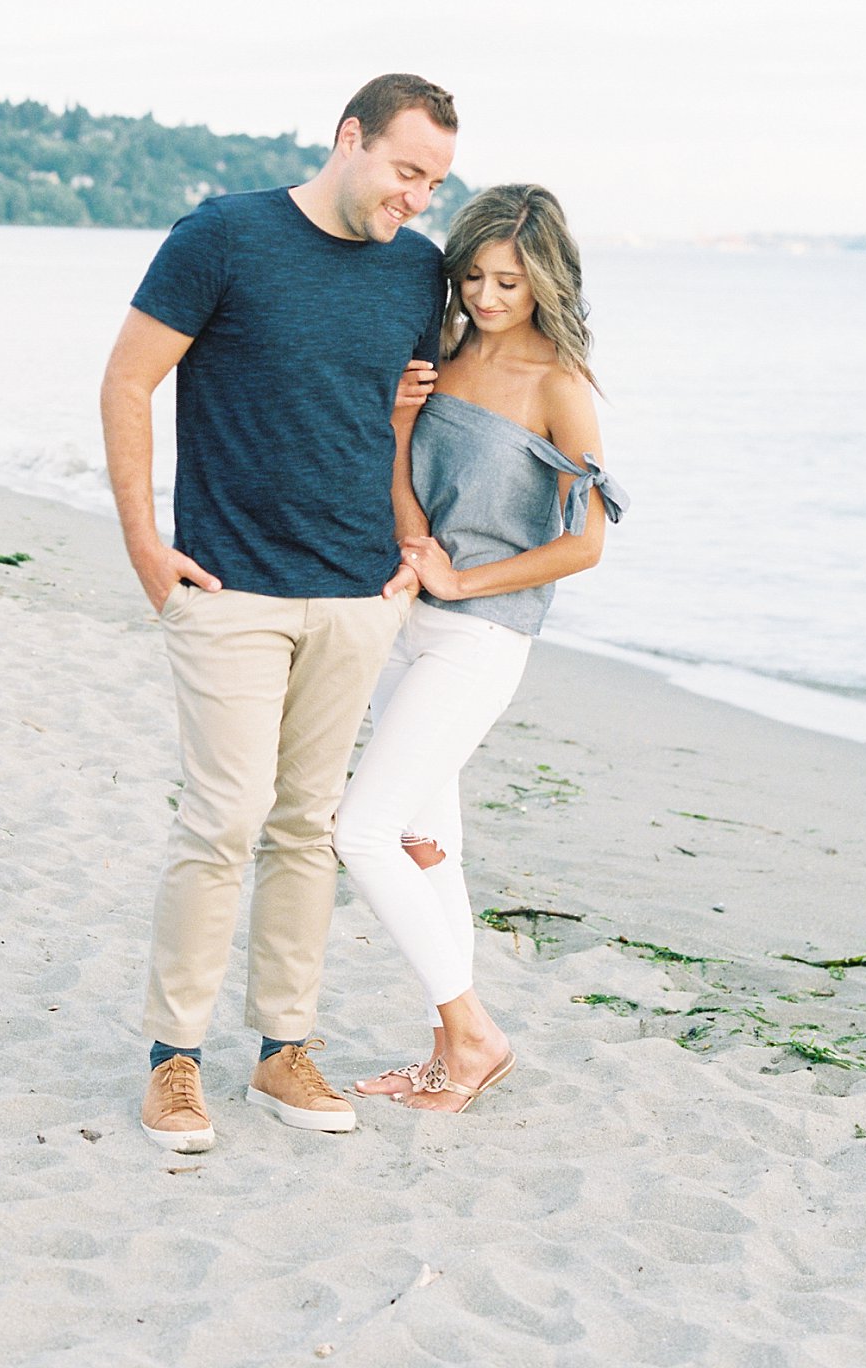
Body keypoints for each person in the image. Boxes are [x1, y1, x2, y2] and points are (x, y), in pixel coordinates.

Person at [100, 74, 457, 1153]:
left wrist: (408, 547)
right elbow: (126, 383)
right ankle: (173, 1059)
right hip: (228, 590)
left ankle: (282, 1049)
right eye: (404, 169)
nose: (415, 197)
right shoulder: (223, 235)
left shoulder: (420, 271)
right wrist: (144, 551)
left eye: (433, 181)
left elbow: (403, 414)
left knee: (306, 828)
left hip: (353, 596)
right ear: (347, 138)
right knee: (220, 821)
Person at [332, 183, 626, 1113]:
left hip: (483, 638)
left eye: (509, 280)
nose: (487, 296)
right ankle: (444, 1056)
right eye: (474, 276)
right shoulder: (444, 354)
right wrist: (399, 431)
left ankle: (474, 1033)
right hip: (406, 626)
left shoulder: (560, 388)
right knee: (426, 846)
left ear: (545, 280)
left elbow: (584, 545)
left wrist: (462, 583)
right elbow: (413, 510)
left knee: (361, 831)